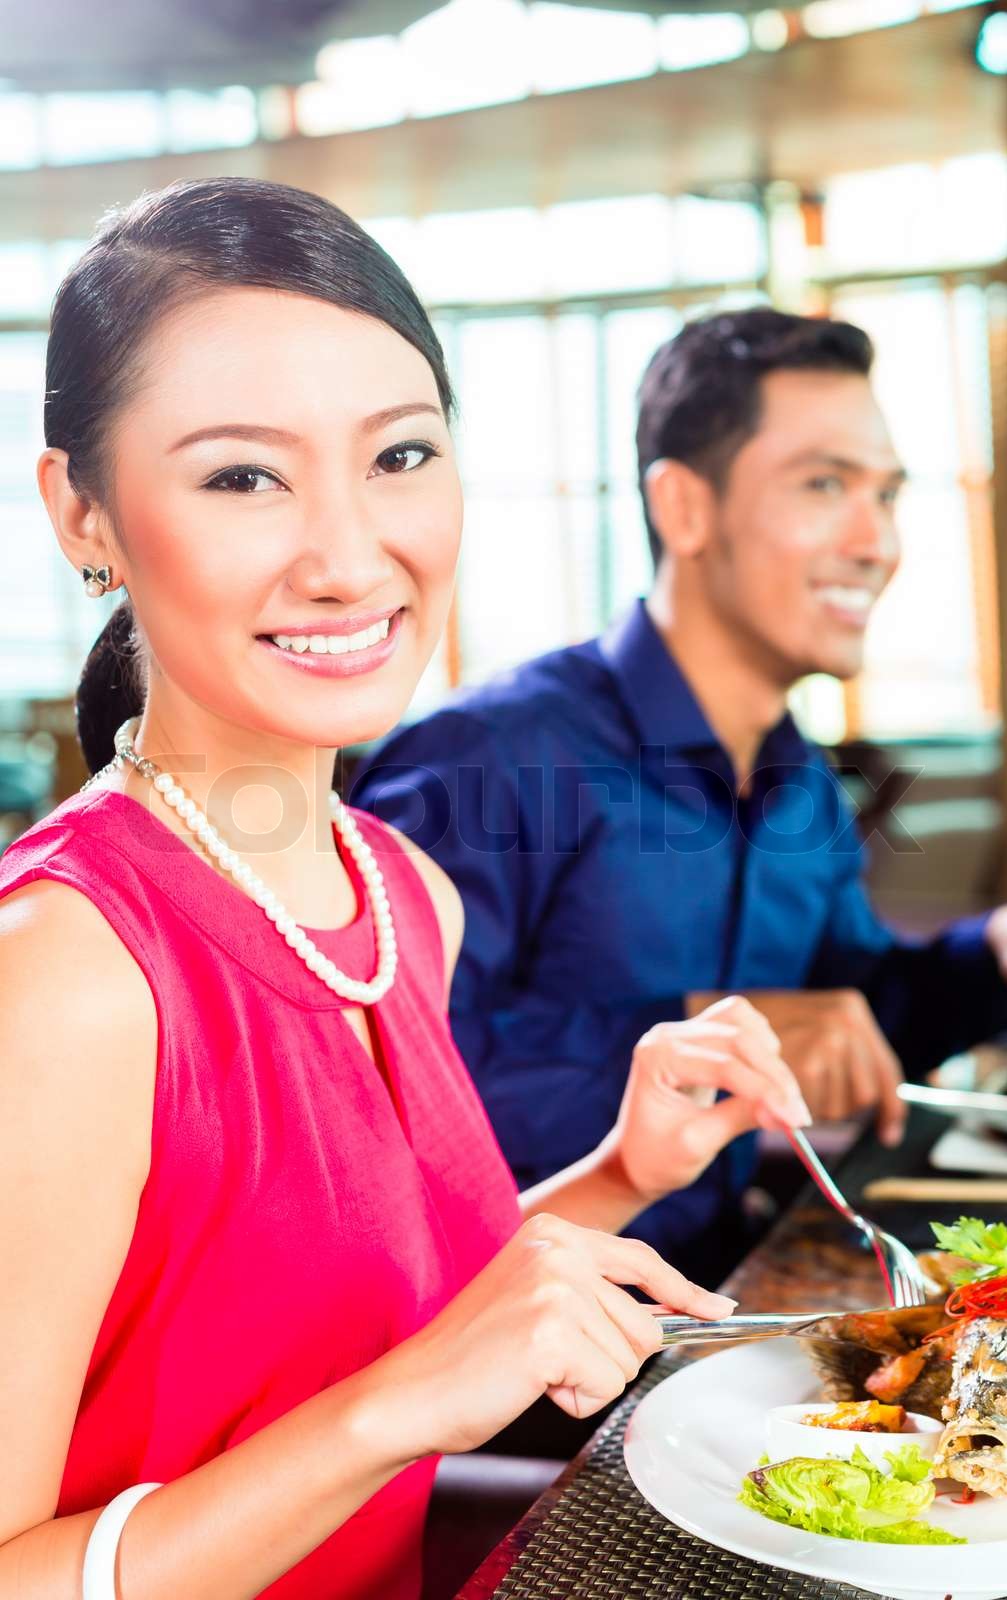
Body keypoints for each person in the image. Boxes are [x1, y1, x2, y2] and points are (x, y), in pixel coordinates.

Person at [0, 182, 810, 1600]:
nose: (347, 556)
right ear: (84, 512)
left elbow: (367, 1335)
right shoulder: (63, 974)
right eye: (242, 476)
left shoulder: (397, 894)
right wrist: (394, 1412)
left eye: (399, 455)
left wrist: (625, 1173)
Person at [354, 307, 1007, 1282]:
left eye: (887, 494)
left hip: (714, 1291)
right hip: (510, 1342)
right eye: (824, 484)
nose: (877, 541)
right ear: (683, 507)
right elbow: (373, 1086)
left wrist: (1000, 951)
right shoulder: (486, 758)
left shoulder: (798, 776)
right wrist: (695, 1028)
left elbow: (844, 1013)